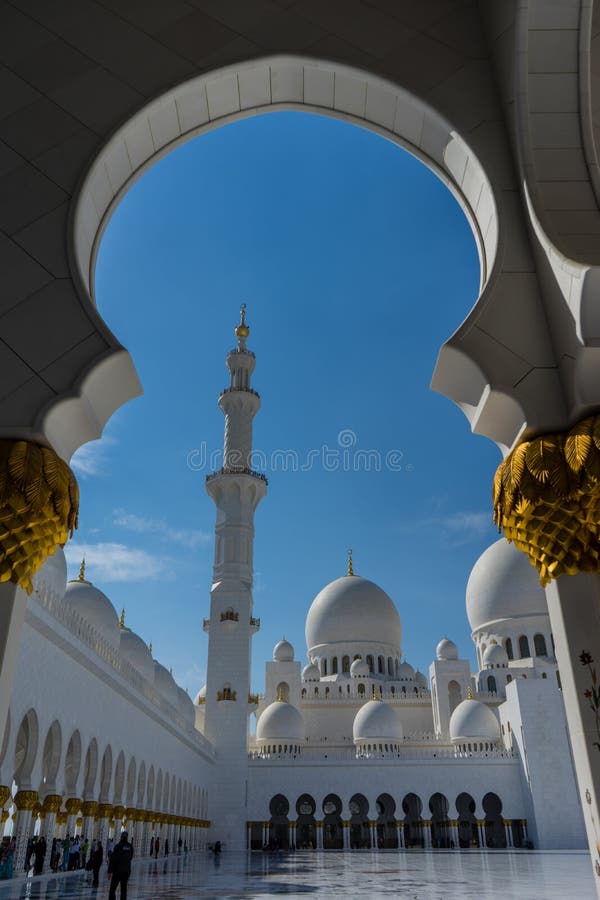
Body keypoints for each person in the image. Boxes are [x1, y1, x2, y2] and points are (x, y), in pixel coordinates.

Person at [108, 831, 133, 900]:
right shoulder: (130, 846)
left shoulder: (118, 846)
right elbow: (131, 857)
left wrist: (110, 871)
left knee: (113, 889)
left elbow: (113, 859)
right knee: (124, 889)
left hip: (117, 871)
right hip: (126, 871)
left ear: (121, 837)